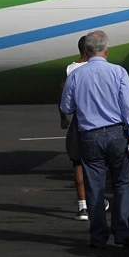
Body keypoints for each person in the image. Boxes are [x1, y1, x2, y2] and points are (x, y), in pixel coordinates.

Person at [60, 30, 129, 249]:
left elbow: (66, 106)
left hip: (89, 134)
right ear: (107, 50)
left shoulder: (76, 75)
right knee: (122, 183)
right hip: (117, 132)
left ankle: (98, 235)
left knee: (94, 186)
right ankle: (122, 231)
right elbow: (128, 106)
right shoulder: (119, 72)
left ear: (86, 51)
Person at [59, 35, 91, 221]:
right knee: (96, 163)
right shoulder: (101, 67)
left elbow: (63, 99)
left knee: (77, 163)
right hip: (99, 122)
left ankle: (82, 206)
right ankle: (95, 200)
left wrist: (64, 117)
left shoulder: (70, 69)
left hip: (78, 121)